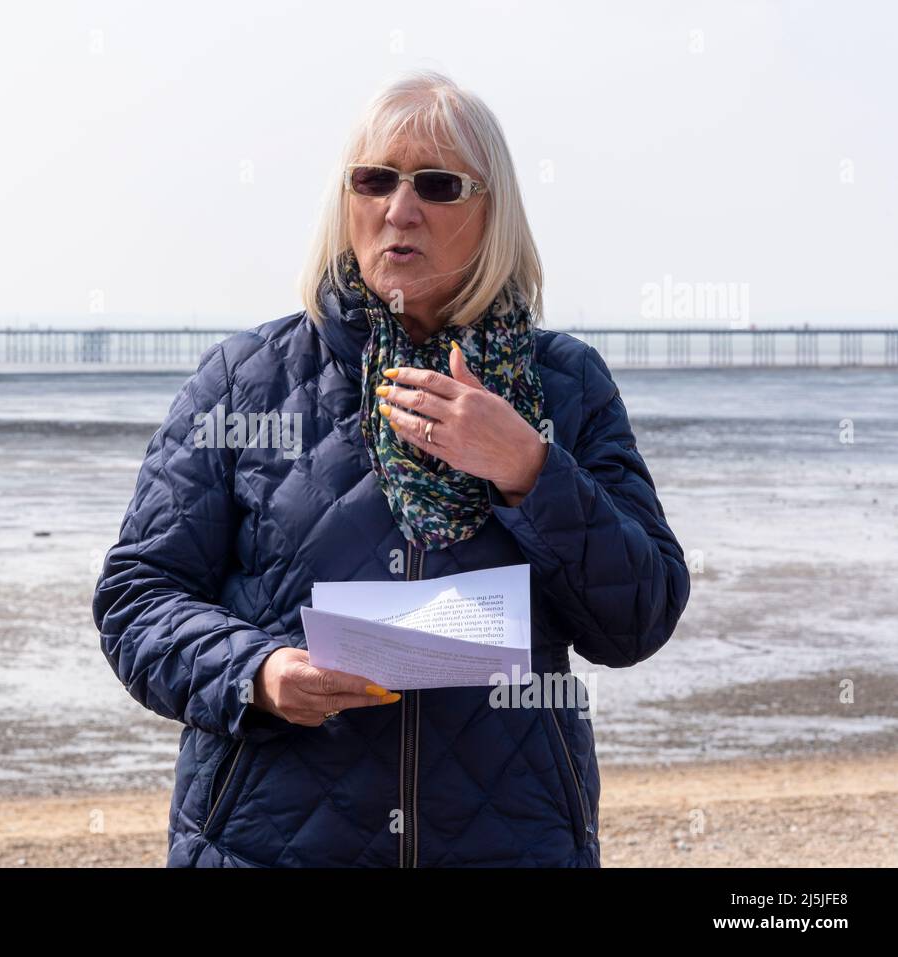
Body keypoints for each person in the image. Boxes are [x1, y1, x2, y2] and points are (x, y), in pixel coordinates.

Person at [93, 69, 689, 867]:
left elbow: (639, 617)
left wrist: (530, 469)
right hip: (270, 846)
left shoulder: (566, 385)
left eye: (438, 185)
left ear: (494, 213)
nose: (399, 209)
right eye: (374, 179)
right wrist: (257, 671)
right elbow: (137, 598)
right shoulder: (246, 380)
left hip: (506, 843)